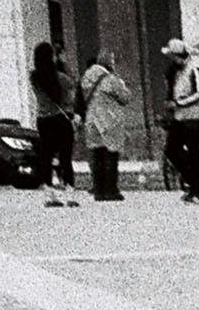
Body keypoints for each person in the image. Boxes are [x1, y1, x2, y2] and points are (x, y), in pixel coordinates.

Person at [79, 49, 137, 199]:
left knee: (97, 155)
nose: (113, 64)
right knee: (111, 155)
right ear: (108, 62)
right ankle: (111, 190)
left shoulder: (86, 76)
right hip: (109, 121)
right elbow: (125, 97)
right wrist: (121, 83)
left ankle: (98, 190)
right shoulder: (110, 79)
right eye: (112, 61)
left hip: (91, 120)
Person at [28, 37, 75, 203]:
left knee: (46, 157)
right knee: (65, 157)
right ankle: (69, 194)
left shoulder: (34, 77)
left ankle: (49, 195)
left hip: (43, 120)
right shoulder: (60, 77)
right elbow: (72, 83)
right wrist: (63, 63)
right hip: (60, 118)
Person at [164, 39, 199, 198]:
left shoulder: (194, 69)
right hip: (179, 117)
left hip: (193, 117)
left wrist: (179, 102)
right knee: (171, 150)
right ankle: (189, 176)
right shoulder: (176, 72)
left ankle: (195, 189)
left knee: (193, 152)